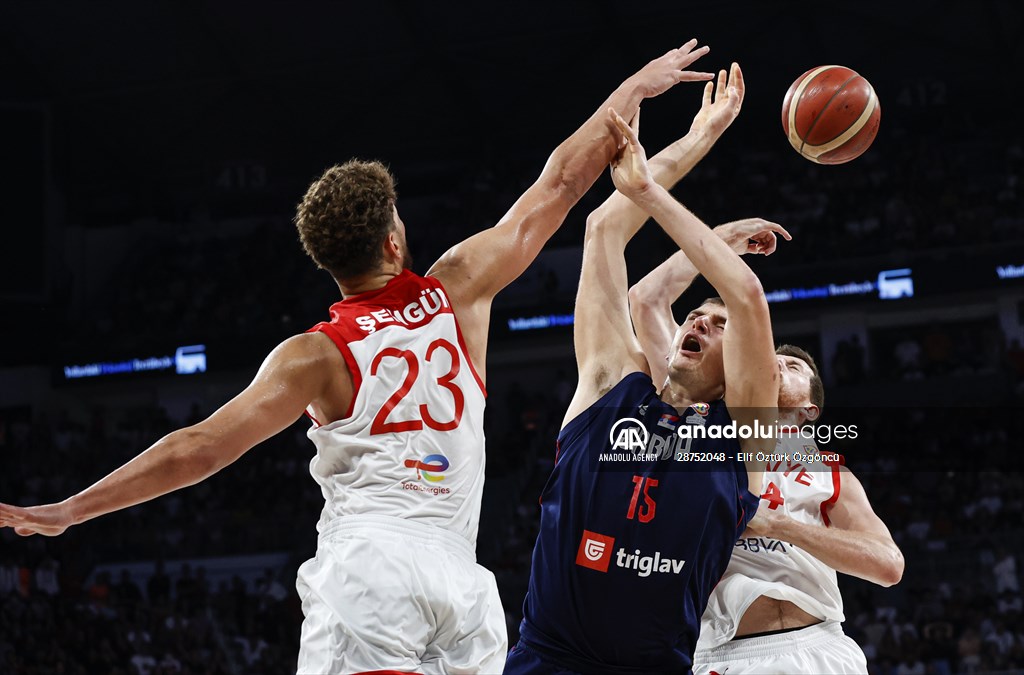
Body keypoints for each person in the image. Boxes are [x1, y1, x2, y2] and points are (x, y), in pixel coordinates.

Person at [0, 40, 717, 674]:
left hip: (373, 571)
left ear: (329, 262)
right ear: (394, 243)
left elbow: (197, 449)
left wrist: (71, 509)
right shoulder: (459, 285)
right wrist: (635, 88)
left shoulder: (313, 356)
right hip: (461, 587)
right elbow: (560, 182)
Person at [505, 63, 781, 674]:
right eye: (695, 317)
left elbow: (748, 298)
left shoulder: (745, 439)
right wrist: (698, 137)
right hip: (549, 660)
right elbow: (602, 228)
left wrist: (654, 196)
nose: (698, 324)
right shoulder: (611, 383)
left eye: (718, 325)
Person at [629, 165, 904, 675]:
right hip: (723, 654)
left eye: (793, 365)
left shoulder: (829, 472)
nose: (775, 362)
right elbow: (646, 300)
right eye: (770, 357)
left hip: (821, 648)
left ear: (809, 410)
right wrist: (720, 240)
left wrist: (774, 523)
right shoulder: (706, 417)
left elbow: (888, 566)